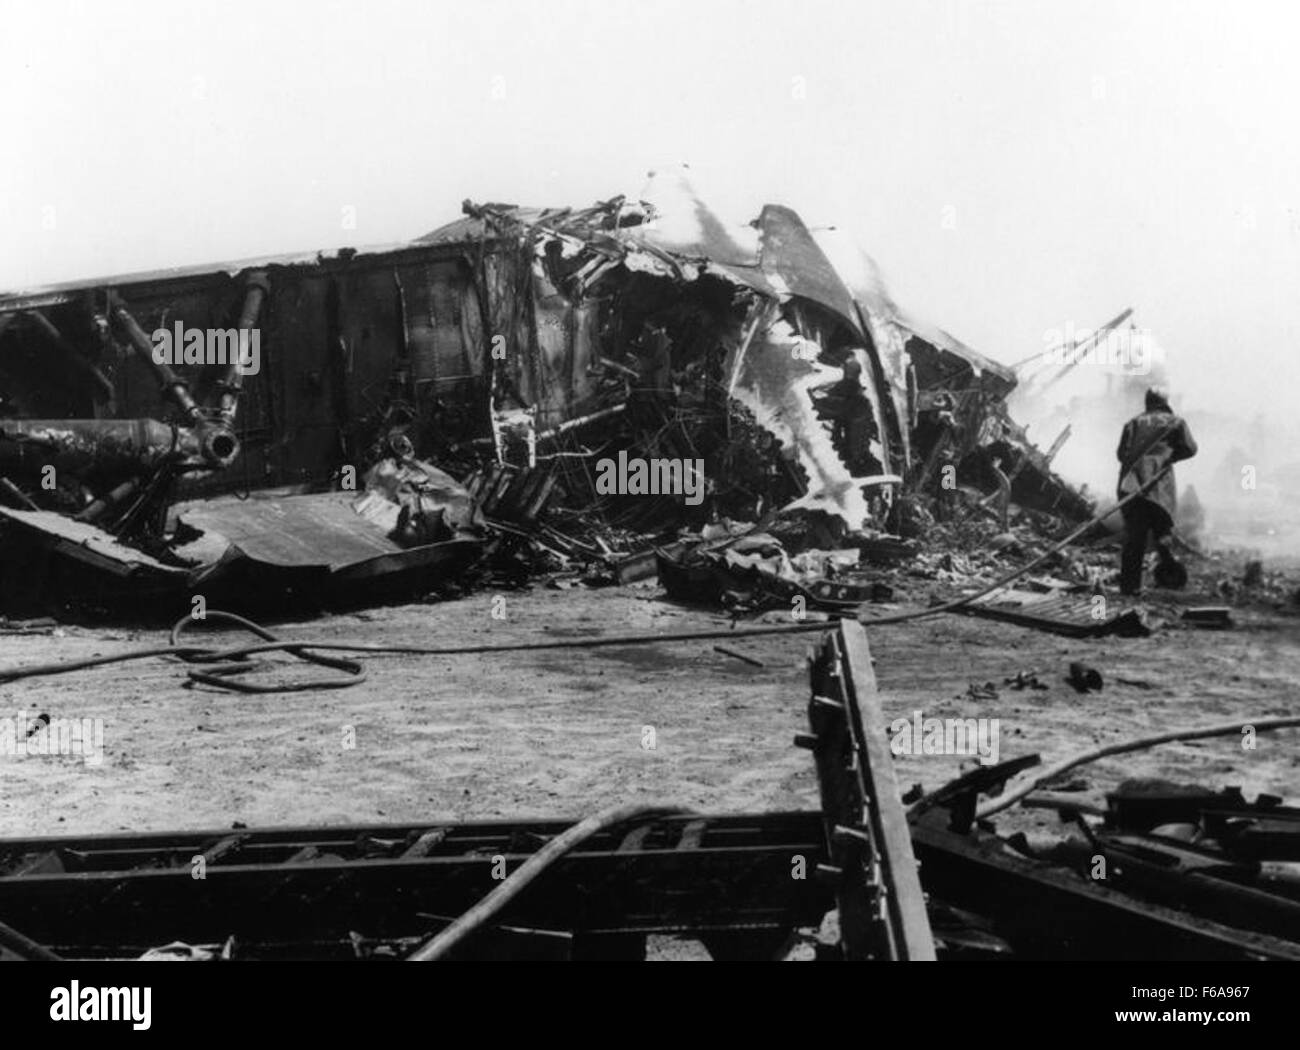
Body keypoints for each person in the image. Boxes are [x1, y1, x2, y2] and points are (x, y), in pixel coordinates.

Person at [1115, 387, 1198, 595]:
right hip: (1159, 488)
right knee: (1162, 530)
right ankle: (1170, 572)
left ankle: (1130, 587)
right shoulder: (1176, 422)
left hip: (1131, 486)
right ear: (1165, 401)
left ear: (1148, 401)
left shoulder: (1132, 423)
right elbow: (1190, 448)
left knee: (1135, 537)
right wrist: (1168, 457)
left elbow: (1121, 454)